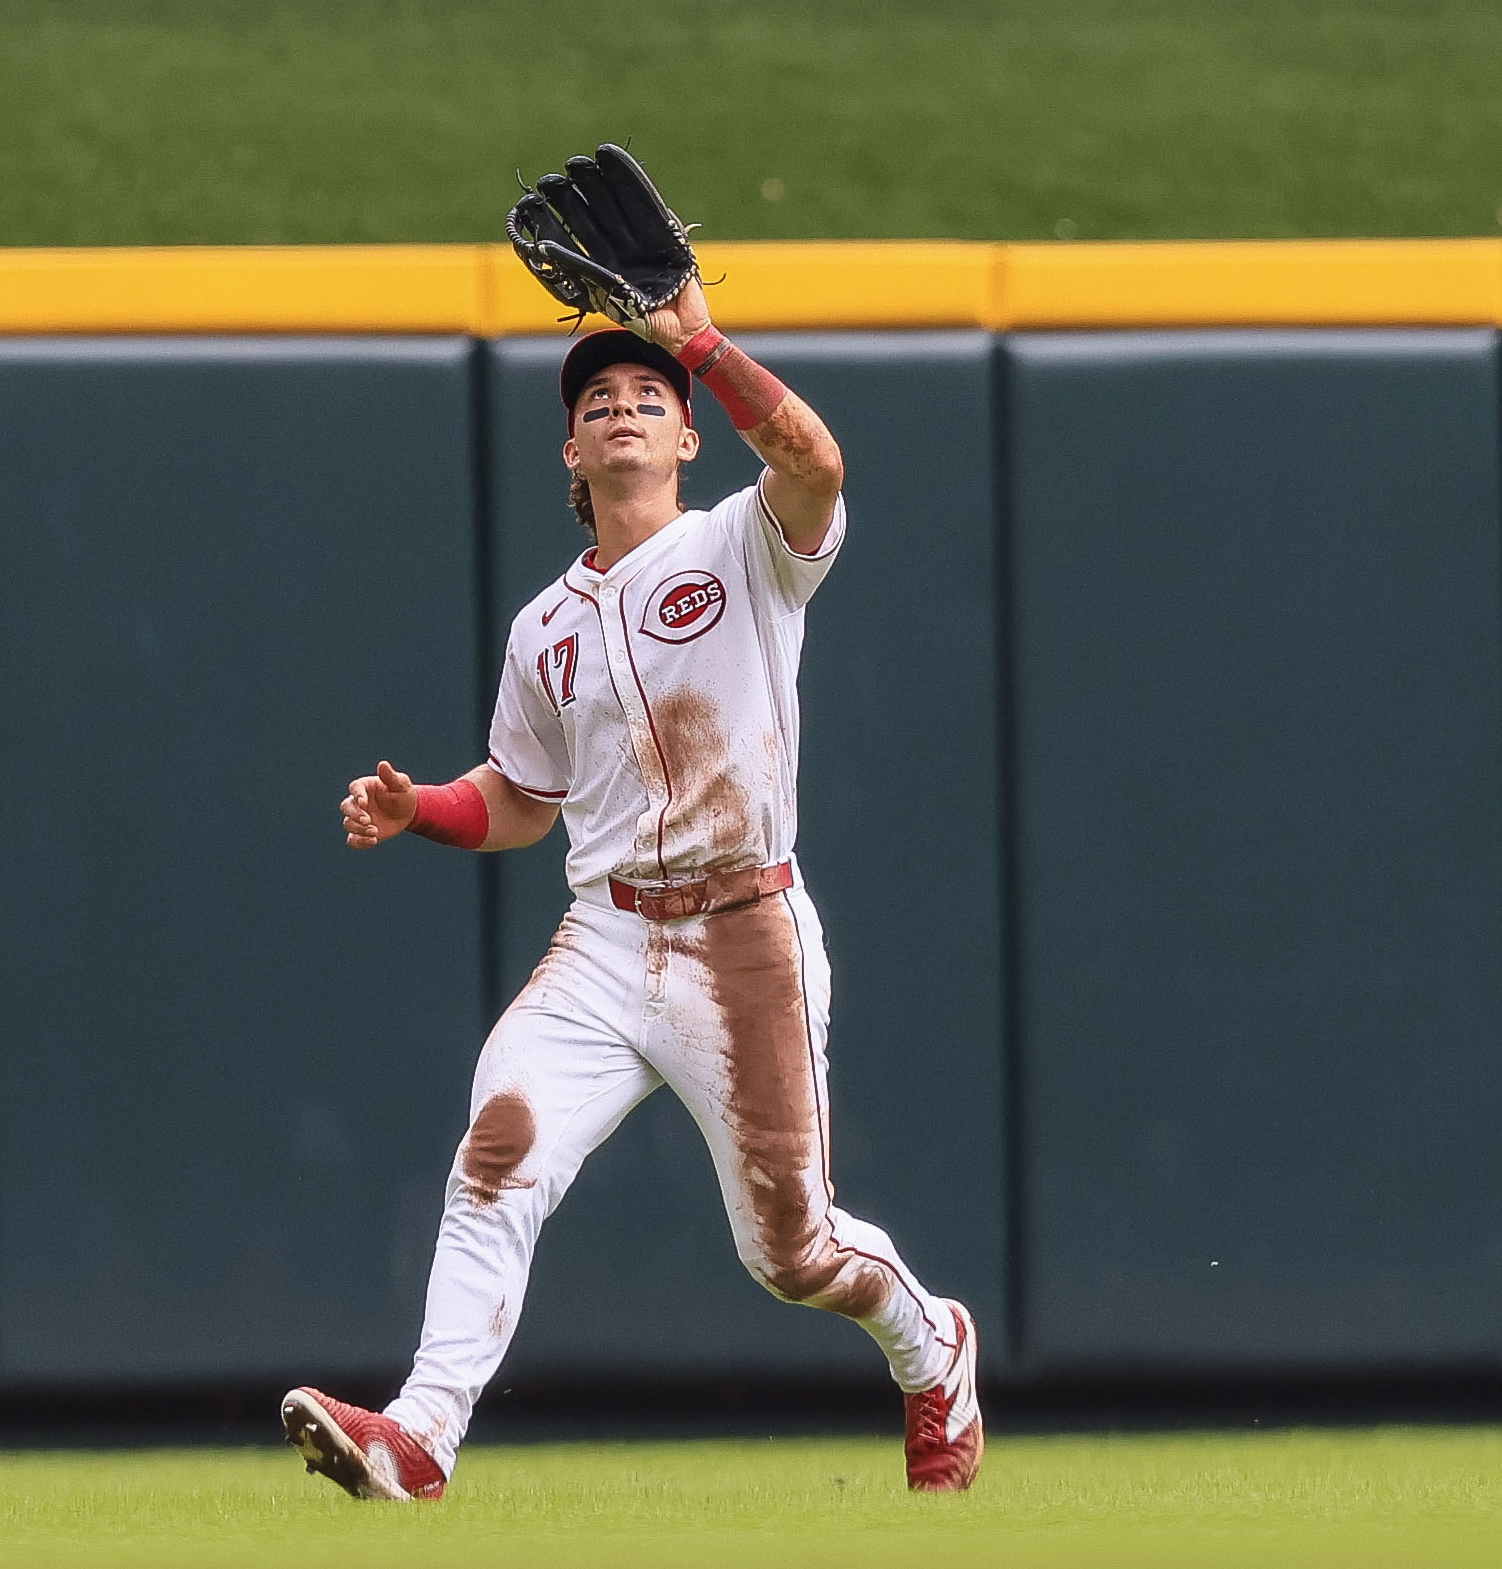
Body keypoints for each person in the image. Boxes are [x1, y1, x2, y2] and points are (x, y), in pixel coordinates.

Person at [278, 274, 981, 1501]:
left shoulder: (743, 542)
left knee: (793, 1252)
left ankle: (936, 1346)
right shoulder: (545, 625)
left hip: (744, 931)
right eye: (598, 398)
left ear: (686, 432)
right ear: (570, 444)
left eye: (647, 396)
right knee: (499, 1144)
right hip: (605, 938)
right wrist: (422, 810)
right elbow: (521, 794)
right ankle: (420, 1433)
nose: (621, 409)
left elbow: (816, 461)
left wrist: (699, 337)